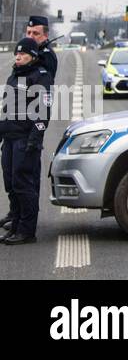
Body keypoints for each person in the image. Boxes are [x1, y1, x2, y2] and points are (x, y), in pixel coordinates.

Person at [0, 38, 53, 245]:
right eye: (17, 54)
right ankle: (15, 227)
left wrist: (34, 140)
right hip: (10, 139)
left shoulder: (40, 77)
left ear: (32, 56)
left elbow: (43, 112)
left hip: (25, 140)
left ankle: (27, 231)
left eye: (22, 54)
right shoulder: (15, 75)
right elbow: (7, 108)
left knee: (23, 185)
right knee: (11, 185)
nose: (18, 56)